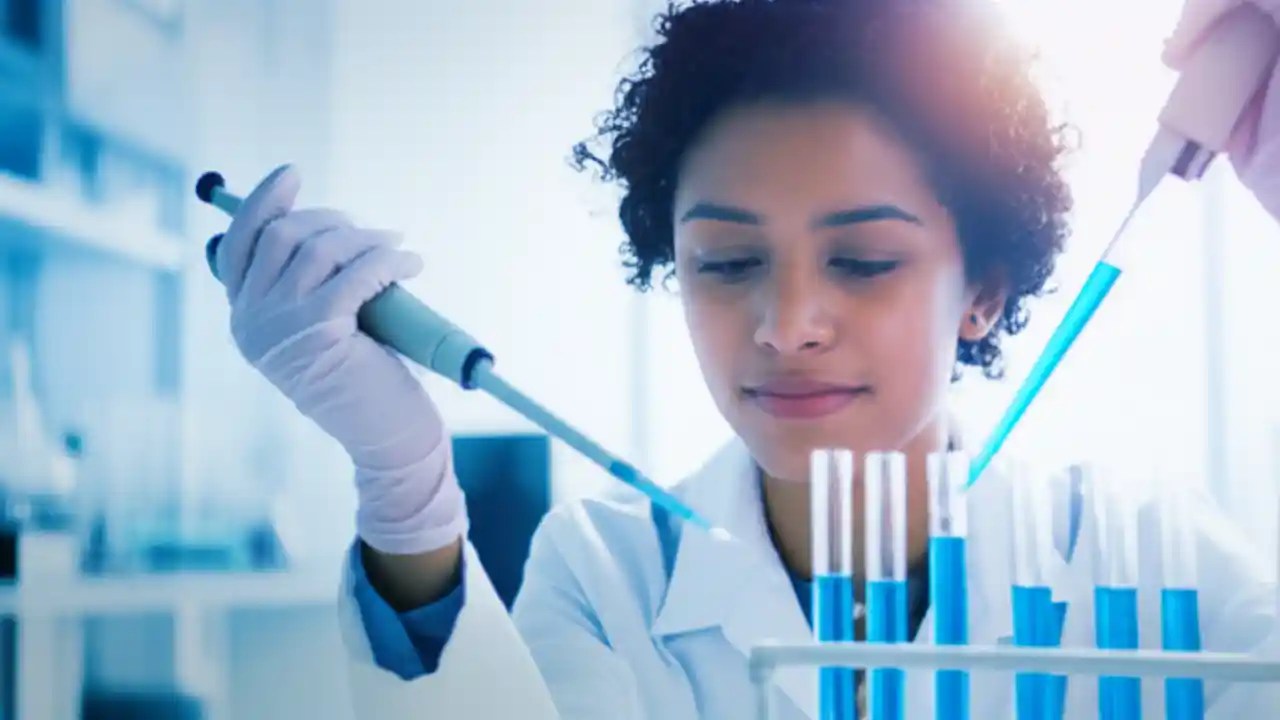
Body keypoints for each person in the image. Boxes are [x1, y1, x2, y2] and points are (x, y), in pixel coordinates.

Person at [211, 0, 1280, 717]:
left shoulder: (1151, 559)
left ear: (983, 293)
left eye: (861, 261)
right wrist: (406, 497)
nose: (784, 323)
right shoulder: (608, 572)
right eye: (725, 263)